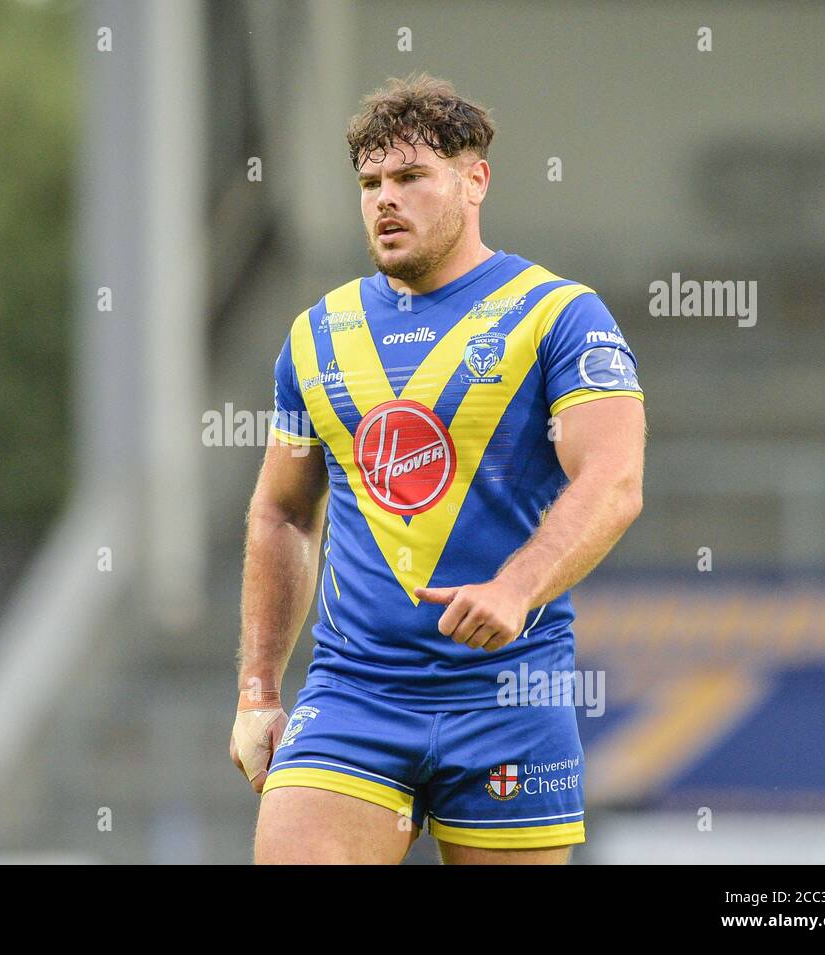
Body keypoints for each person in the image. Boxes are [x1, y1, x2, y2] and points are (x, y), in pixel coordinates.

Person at [230, 73, 646, 864]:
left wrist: (514, 589)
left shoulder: (560, 315)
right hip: (353, 694)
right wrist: (257, 691)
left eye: (410, 177)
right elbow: (281, 512)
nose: (385, 199)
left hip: (510, 696)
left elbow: (615, 481)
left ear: (474, 179)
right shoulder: (317, 336)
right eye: (370, 182)